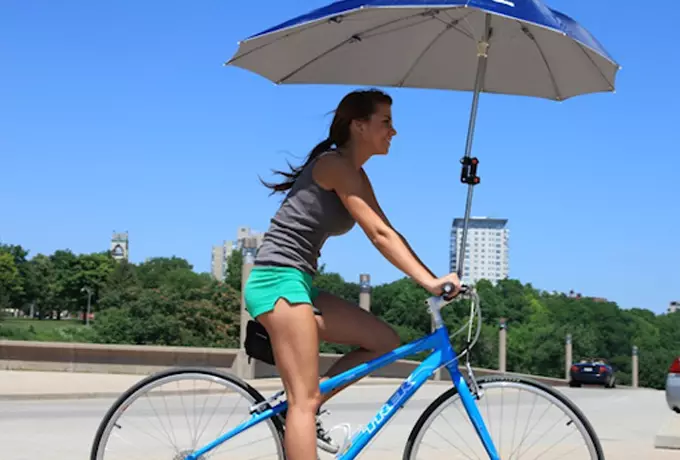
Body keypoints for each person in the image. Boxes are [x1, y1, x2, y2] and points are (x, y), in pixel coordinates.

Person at [244, 89, 461, 460]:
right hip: (276, 281)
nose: (394, 131)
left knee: (383, 340)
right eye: (386, 122)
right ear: (359, 126)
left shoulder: (355, 173)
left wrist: (434, 276)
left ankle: (300, 400)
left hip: (299, 283)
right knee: (304, 406)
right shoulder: (333, 165)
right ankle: (301, 406)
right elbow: (377, 236)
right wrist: (429, 282)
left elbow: (389, 232)